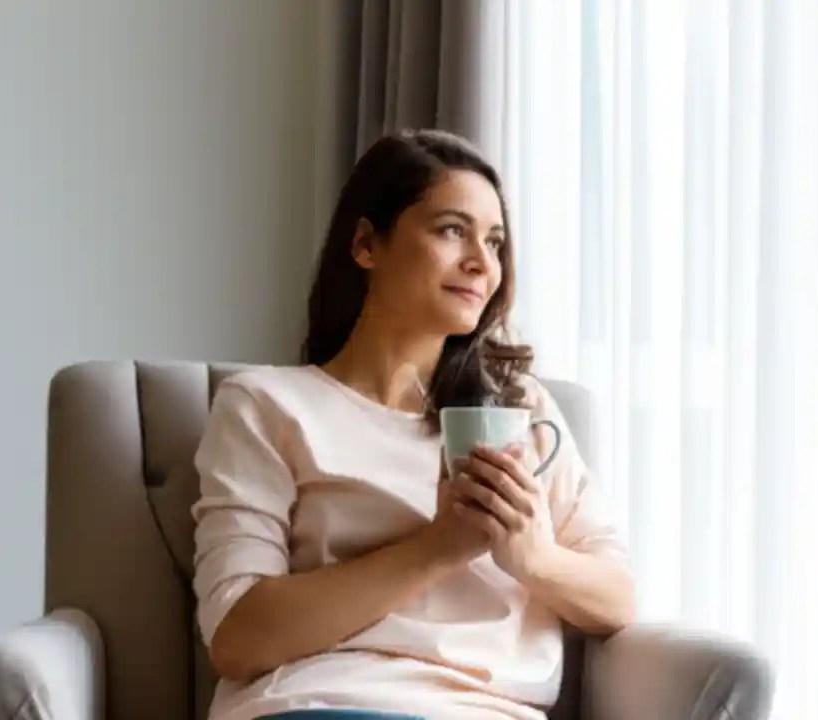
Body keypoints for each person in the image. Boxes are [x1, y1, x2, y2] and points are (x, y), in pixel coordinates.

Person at [190, 129, 636, 720]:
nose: (483, 263)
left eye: (495, 241)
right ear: (366, 244)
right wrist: (441, 545)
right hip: (322, 704)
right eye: (452, 230)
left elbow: (618, 598)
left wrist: (533, 555)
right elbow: (239, 636)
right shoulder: (267, 405)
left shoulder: (519, 409)